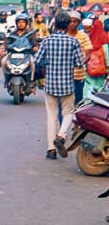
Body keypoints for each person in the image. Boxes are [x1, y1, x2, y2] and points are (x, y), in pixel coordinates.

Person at [38, 10, 86, 159]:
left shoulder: (46, 40)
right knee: (68, 113)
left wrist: (49, 62)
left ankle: (51, 150)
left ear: (55, 24)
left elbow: (38, 60)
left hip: (50, 84)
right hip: (67, 84)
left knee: (51, 116)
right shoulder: (73, 42)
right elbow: (79, 63)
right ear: (67, 25)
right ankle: (61, 136)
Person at [67, 10, 91, 106]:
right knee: (63, 104)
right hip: (64, 76)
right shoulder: (63, 36)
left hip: (78, 75)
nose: (72, 24)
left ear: (79, 22)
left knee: (77, 102)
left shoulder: (83, 36)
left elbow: (88, 55)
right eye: (70, 21)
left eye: (74, 21)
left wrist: (79, 63)